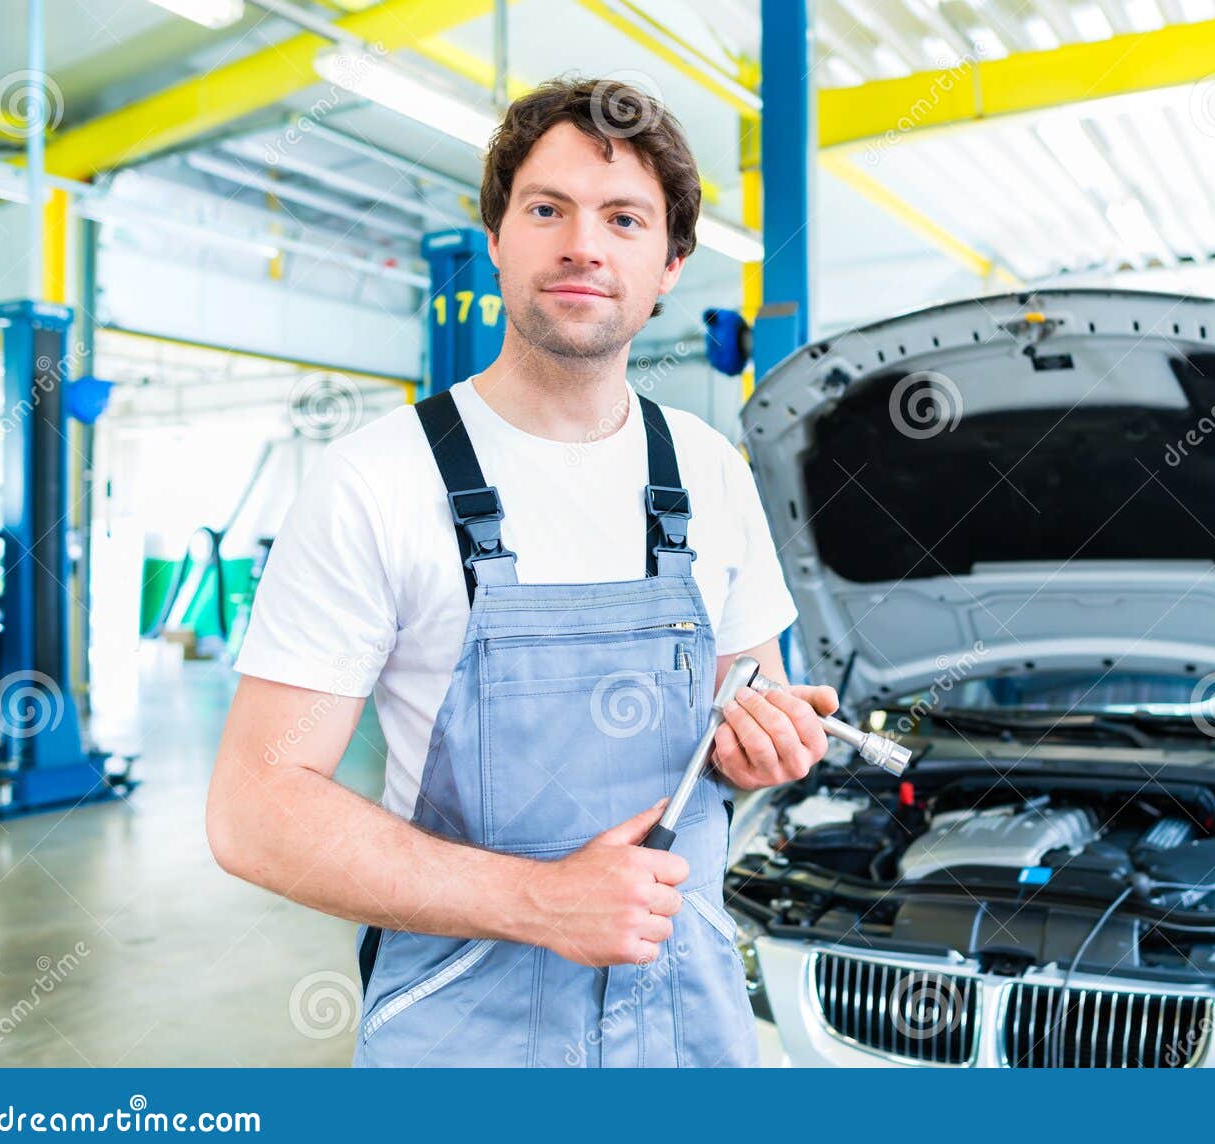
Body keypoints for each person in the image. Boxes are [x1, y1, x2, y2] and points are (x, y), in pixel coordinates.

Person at [206, 77, 838, 1067]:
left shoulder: (712, 474)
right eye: (547, 209)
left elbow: (743, 705)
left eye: (624, 218)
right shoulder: (377, 479)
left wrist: (764, 743)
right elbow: (256, 805)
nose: (582, 244)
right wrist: (536, 900)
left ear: (670, 264)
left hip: (689, 1024)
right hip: (466, 1036)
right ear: (497, 236)